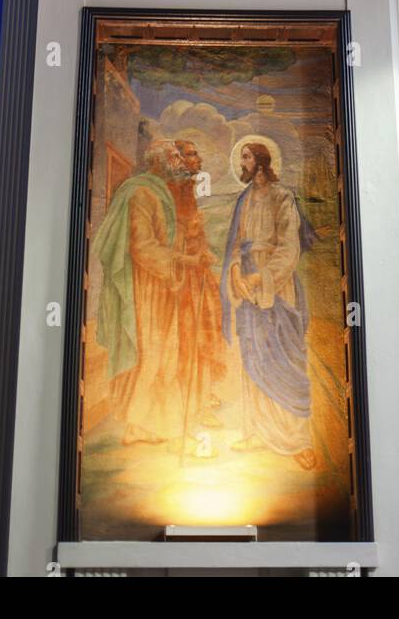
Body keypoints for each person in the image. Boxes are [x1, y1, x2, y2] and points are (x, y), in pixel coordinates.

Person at [92, 138, 211, 448]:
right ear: (158, 161)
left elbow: (167, 237)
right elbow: (143, 248)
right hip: (146, 289)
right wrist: (186, 260)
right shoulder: (141, 192)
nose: (180, 162)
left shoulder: (161, 193)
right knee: (151, 355)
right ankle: (136, 424)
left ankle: (155, 422)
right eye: (174, 157)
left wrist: (191, 238)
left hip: (164, 284)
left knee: (166, 355)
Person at [220, 141, 317, 470]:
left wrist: (262, 278)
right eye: (240, 158)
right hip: (247, 288)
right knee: (253, 356)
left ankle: (296, 439)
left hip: (275, 287)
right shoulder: (243, 200)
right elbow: (234, 245)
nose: (241, 164)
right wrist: (236, 272)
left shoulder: (282, 197)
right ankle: (258, 431)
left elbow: (289, 248)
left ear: (260, 162)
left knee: (285, 358)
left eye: (245, 158)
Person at [170, 139, 227, 431]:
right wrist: (190, 233)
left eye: (196, 153)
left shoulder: (187, 190)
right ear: (178, 159)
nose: (198, 160)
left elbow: (192, 235)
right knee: (190, 340)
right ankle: (194, 405)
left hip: (197, 277)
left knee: (205, 335)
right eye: (192, 154)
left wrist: (201, 247)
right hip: (182, 282)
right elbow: (168, 239)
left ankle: (202, 396)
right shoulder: (172, 191)